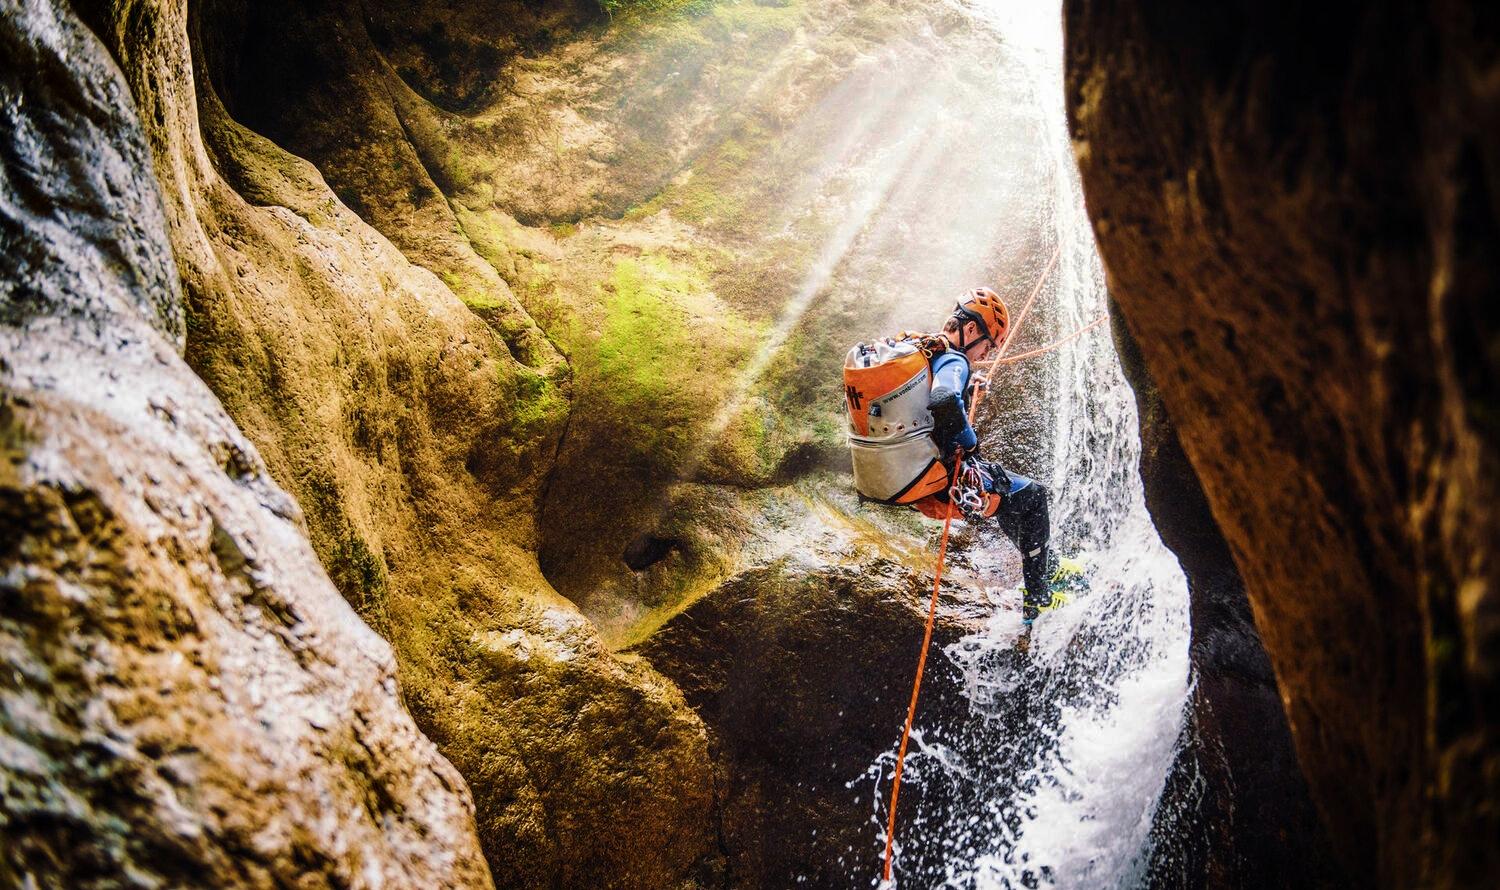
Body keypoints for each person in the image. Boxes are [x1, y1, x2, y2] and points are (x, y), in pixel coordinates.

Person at [907, 288, 1063, 626]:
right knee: (1034, 497)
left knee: (1010, 497)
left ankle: (1046, 568)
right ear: (972, 330)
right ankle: (1039, 600)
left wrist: (967, 382)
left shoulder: (925, 349)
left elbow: (935, 390)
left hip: (909, 472)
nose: (984, 355)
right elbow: (944, 397)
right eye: (988, 345)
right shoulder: (955, 358)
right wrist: (970, 441)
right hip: (943, 480)